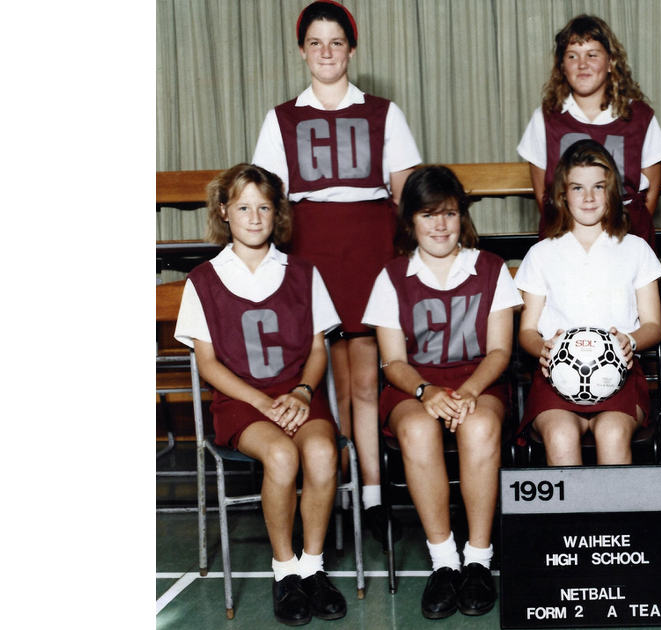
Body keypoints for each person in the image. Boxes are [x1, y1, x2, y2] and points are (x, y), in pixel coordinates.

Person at [252, 0, 421, 548]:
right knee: (326, 374)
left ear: (352, 49)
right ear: (302, 51)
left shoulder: (384, 112)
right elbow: (268, 198)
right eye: (316, 42)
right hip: (309, 244)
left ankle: (374, 493)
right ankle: (338, 486)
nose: (327, 52)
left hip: (369, 242)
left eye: (337, 42)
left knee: (367, 376)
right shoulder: (281, 117)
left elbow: (406, 194)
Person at [174, 164, 346, 625]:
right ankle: (285, 570)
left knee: (324, 454)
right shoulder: (203, 280)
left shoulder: (303, 273)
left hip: (299, 397)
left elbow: (317, 350)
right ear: (224, 212)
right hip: (241, 404)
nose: (254, 217)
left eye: (264, 207)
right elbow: (208, 364)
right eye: (244, 207)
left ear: (277, 214)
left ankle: (313, 568)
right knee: (283, 458)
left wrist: (304, 393)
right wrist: (263, 402)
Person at [361, 166, 522, 619]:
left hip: (479, 380)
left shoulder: (490, 268)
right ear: (410, 220)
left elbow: (499, 350)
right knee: (415, 431)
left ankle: (477, 560)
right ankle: (444, 561)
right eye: (428, 215)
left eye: (449, 213)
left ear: (461, 217)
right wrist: (426, 390)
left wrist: (467, 392)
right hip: (415, 385)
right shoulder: (392, 276)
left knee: (481, 426)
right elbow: (392, 361)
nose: (440, 225)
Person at [515, 139, 661, 466]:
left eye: (599, 186)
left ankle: (615, 519)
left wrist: (631, 341)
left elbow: (653, 326)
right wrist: (543, 347)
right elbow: (527, 330)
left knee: (612, 434)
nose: (589, 197)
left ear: (612, 192)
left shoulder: (636, 249)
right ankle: (572, 520)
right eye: (578, 188)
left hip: (619, 372)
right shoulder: (542, 254)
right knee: (560, 435)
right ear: (562, 194)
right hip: (556, 376)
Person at [517, 14, 661, 251]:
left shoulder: (639, 116)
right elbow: (544, 196)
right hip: (566, 238)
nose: (582, 64)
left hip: (626, 239)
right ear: (562, 66)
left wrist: (620, 240)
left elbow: (648, 198)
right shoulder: (546, 118)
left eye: (592, 54)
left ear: (610, 63)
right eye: (572, 56)